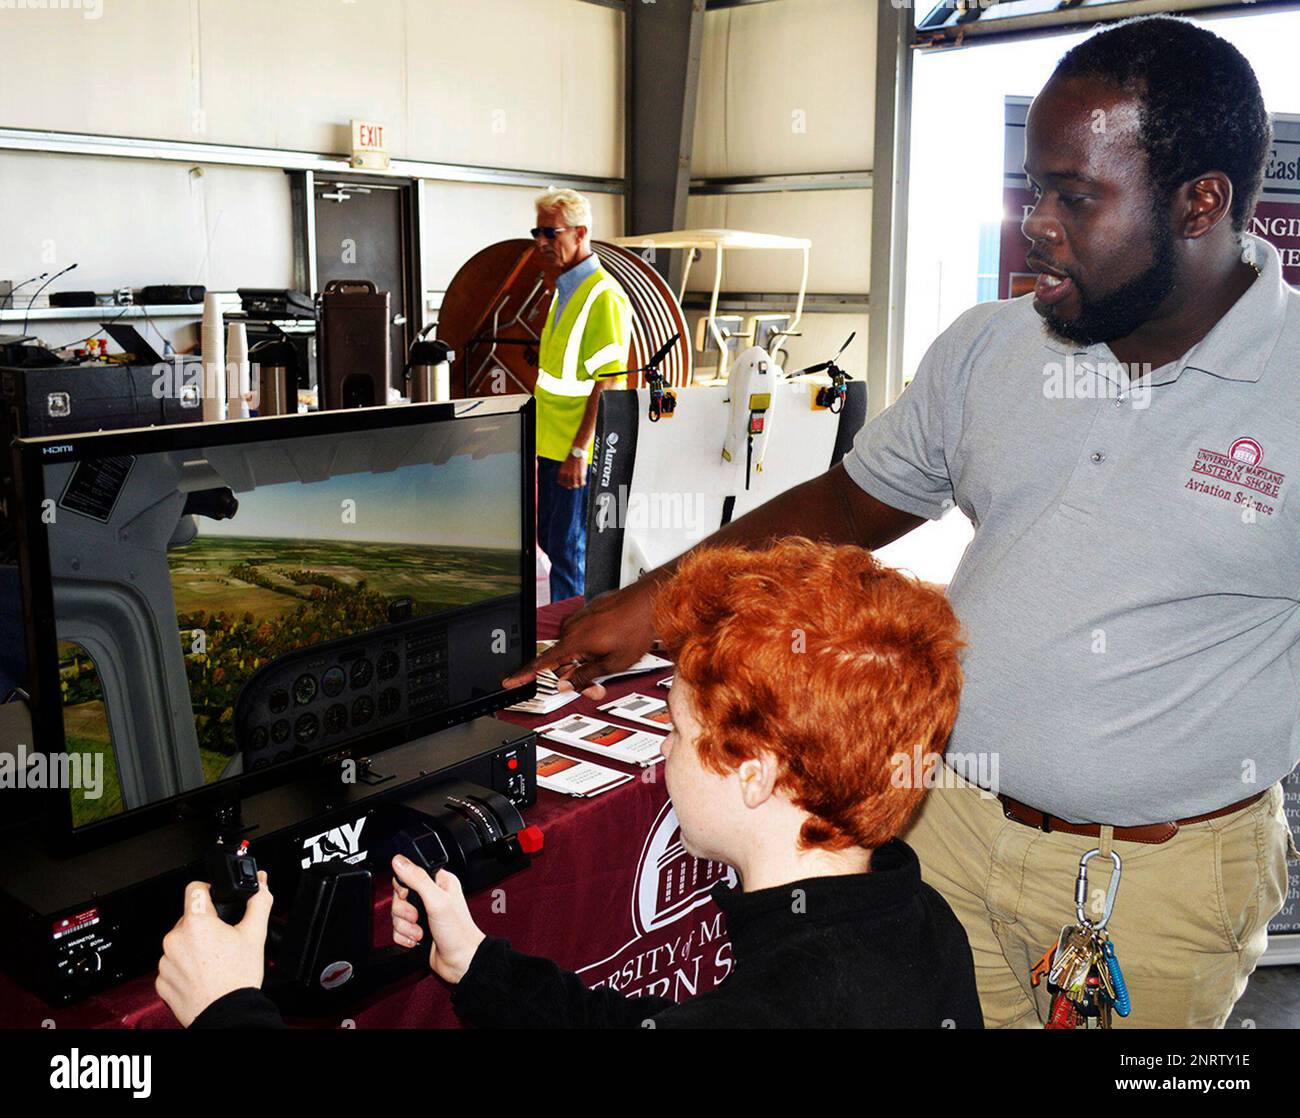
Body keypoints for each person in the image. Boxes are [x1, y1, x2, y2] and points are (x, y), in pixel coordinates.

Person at [502, 15, 1299, 1029]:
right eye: (1032, 185)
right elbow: (843, 505)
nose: (1035, 224)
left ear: (1201, 202)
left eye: (1075, 195)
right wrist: (659, 600)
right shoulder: (995, 346)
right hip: (949, 831)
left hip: (1153, 886)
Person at [156, 539, 981, 1029]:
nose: (665, 754)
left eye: (677, 730)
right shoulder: (916, 920)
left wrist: (229, 1010)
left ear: (756, 776)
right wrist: (476, 962)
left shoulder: (792, 1005)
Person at [530, 189, 632, 603]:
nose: (541, 242)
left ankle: (567, 645)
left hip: (575, 451)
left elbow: (608, 381)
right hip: (551, 444)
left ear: (580, 233)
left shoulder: (601, 295)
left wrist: (579, 452)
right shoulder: (564, 290)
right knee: (552, 543)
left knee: (570, 554)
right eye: (537, 231)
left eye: (550, 233)